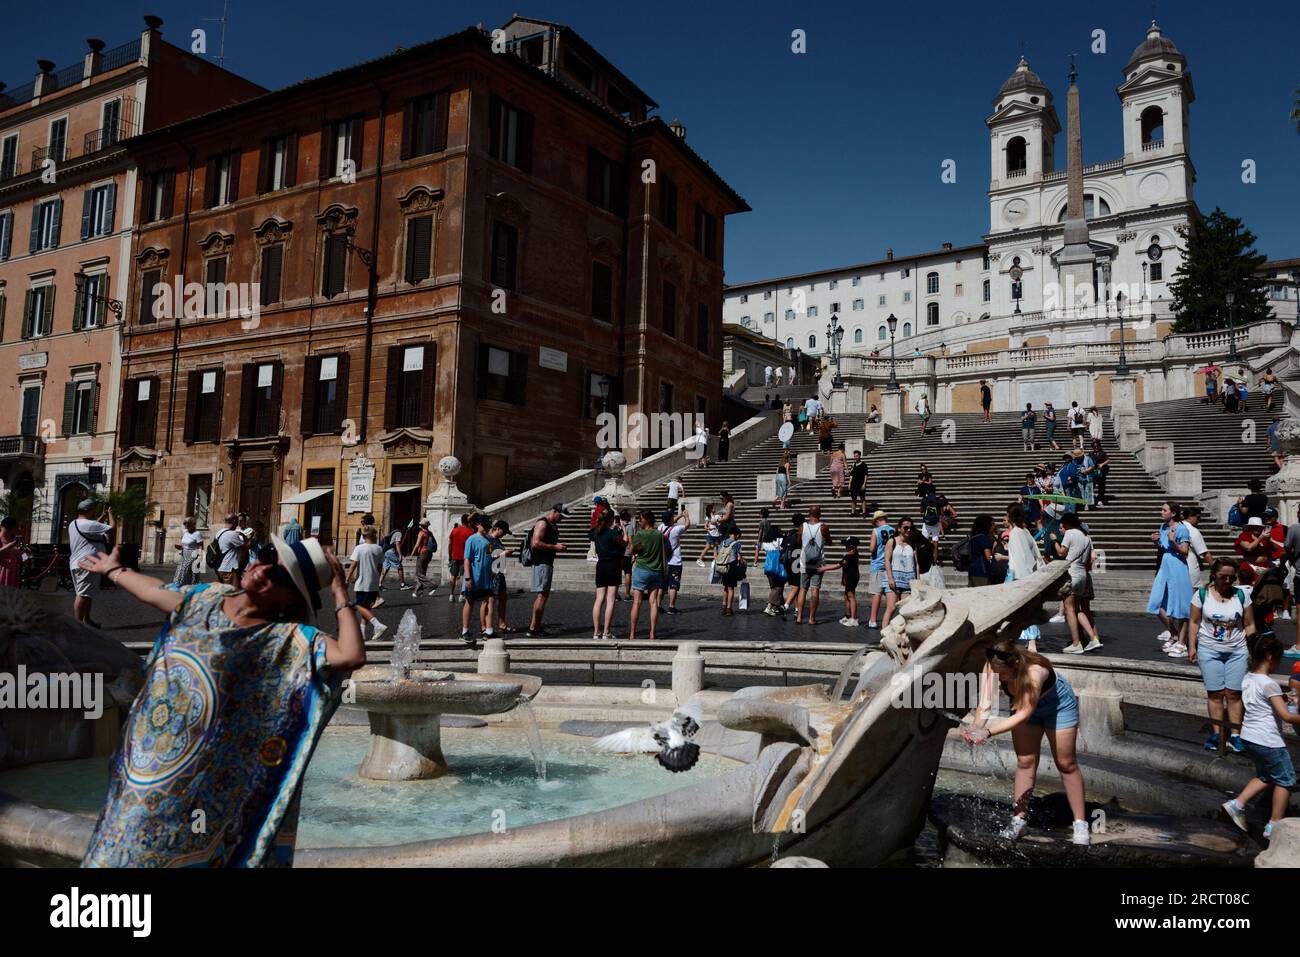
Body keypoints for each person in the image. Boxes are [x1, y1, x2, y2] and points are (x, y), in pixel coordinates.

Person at [79, 534, 363, 867]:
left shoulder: (288, 639)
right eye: (267, 556)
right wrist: (114, 571)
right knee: (119, 845)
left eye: (279, 574)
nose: (263, 569)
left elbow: (350, 654)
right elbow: (155, 591)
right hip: (145, 765)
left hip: (203, 780)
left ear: (289, 596)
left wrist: (341, 595)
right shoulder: (204, 598)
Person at [964, 641, 1090, 846]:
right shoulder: (992, 664)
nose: (999, 678)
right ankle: (1019, 819)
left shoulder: (1034, 672)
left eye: (1002, 674)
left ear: (1014, 666)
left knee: (1066, 763)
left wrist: (987, 732)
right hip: (1023, 707)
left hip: (1057, 706)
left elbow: (1024, 714)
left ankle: (1080, 823)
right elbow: (986, 703)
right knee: (1025, 761)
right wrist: (976, 727)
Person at [1223, 635, 1300, 839]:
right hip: (1269, 740)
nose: (1278, 664)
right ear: (1269, 656)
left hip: (1250, 737)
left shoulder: (1248, 678)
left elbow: (1262, 700)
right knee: (1286, 780)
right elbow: (1286, 715)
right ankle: (1274, 826)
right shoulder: (1269, 684)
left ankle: (1236, 804)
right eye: (1278, 659)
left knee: (1266, 776)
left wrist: (1282, 698)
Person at [1190, 558, 1256, 752]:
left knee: (1234, 694)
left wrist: (1251, 648)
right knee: (1215, 693)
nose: (1227, 581)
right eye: (1223, 577)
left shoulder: (1242, 595)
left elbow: (1250, 624)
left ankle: (1235, 735)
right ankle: (1217, 733)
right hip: (1209, 650)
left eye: (1231, 577)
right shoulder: (1201, 595)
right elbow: (1194, 621)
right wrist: (1192, 646)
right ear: (1214, 576)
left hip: (1237, 650)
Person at [1050, 512, 1102, 653]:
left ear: (1066, 523)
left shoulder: (1070, 533)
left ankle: (1076, 643)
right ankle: (1093, 638)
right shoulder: (1085, 537)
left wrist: (1054, 540)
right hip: (1082, 574)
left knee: (1070, 610)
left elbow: (1062, 553)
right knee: (1077, 609)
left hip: (1072, 573)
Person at [1004, 504, 1047, 652]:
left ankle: (1024, 640)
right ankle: (1029, 640)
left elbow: (1018, 559)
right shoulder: (1026, 531)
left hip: (1019, 577)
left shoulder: (1015, 533)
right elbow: (1036, 554)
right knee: (1028, 610)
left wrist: (1017, 580)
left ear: (1010, 516)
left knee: (1018, 610)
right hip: (1029, 574)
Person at [68, 498, 114, 626]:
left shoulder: (75, 523)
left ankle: (86, 620)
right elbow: (112, 528)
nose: (94, 512)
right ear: (89, 510)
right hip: (86, 564)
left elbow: (93, 527)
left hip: (78, 563)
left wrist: (102, 516)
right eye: (93, 510)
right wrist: (110, 513)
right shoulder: (87, 525)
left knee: (87, 594)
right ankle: (78, 625)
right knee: (82, 595)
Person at [526, 504, 569, 637]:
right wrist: (555, 547)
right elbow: (536, 543)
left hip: (547, 563)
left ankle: (535, 626)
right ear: (554, 511)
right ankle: (534, 628)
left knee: (543, 595)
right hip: (541, 563)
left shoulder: (552, 525)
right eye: (561, 515)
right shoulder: (542, 523)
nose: (562, 519)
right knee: (542, 595)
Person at [346, 527, 390, 641]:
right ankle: (362, 633)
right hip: (374, 581)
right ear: (373, 536)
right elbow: (380, 566)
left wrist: (347, 578)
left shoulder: (359, 548)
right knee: (366, 607)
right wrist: (378, 578)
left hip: (362, 581)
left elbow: (353, 565)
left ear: (364, 536)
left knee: (358, 605)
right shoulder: (379, 549)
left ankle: (377, 624)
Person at [627, 510, 665, 640]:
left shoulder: (639, 534)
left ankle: (632, 633)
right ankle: (652, 633)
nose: (639, 521)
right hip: (656, 570)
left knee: (637, 602)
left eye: (641, 519)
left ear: (647, 520)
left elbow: (631, 551)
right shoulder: (659, 535)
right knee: (653, 602)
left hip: (642, 570)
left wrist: (636, 549)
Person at [461, 514, 496, 645]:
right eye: (485, 526)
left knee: (488, 601)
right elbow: (467, 560)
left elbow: (490, 557)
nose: (487, 528)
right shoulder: (472, 539)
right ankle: (465, 631)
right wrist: (468, 577)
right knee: (469, 602)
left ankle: (488, 630)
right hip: (474, 577)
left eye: (488, 526)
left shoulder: (489, 540)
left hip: (486, 579)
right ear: (478, 525)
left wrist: (501, 556)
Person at [794, 505, 829, 626]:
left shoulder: (802, 526)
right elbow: (829, 541)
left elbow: (798, 542)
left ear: (809, 514)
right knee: (815, 589)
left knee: (803, 589)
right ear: (820, 514)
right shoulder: (823, 527)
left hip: (804, 562)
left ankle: (799, 617)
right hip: (818, 563)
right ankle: (811, 618)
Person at [882, 517, 917, 627]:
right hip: (894, 578)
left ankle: (902, 636)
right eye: (905, 528)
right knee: (891, 607)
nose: (908, 530)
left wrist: (918, 580)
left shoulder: (912, 543)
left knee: (905, 610)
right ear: (899, 529)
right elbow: (887, 560)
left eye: (910, 528)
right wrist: (890, 577)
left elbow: (916, 563)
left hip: (908, 580)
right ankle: (884, 635)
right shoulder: (892, 541)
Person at [865, 511, 894, 630]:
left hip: (877, 564)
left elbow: (872, 548)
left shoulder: (876, 531)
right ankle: (890, 619)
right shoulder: (894, 530)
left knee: (876, 593)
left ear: (877, 520)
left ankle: (873, 620)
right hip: (890, 565)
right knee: (890, 594)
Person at [659, 508, 689, 615]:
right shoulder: (677, 529)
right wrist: (685, 516)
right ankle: (671, 606)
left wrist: (679, 515)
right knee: (673, 585)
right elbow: (687, 525)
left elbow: (669, 522)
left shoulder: (661, 527)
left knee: (662, 585)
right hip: (675, 561)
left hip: (664, 561)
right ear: (671, 519)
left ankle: (658, 605)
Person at [489, 520, 514, 633]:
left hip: (500, 573)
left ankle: (502, 623)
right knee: (491, 600)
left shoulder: (498, 540)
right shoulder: (489, 540)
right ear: (498, 529)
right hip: (492, 574)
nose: (504, 535)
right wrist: (504, 554)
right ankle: (487, 627)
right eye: (504, 532)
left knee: (503, 598)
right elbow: (488, 557)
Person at [760, 520, 788, 618]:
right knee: (778, 587)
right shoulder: (780, 540)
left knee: (774, 587)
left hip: (768, 567)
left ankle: (779, 607)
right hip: (778, 566)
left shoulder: (765, 542)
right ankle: (769, 607)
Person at [1181, 506, 1213, 591]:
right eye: (1198, 518)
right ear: (1191, 516)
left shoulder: (1176, 527)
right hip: (1190, 570)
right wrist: (1215, 568)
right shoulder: (1192, 530)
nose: (1199, 521)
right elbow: (1204, 553)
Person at [715, 526, 745, 616]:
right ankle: (729, 608)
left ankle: (723, 606)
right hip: (732, 567)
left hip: (723, 567)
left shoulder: (723, 542)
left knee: (725, 588)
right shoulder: (737, 544)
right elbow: (739, 557)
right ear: (737, 535)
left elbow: (718, 552)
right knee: (731, 588)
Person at [967, 514, 1001, 587]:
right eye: (992, 523)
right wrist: (996, 559)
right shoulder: (984, 539)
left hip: (973, 571)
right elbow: (989, 557)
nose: (994, 525)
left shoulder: (974, 537)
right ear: (986, 525)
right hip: (983, 572)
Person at [213, 514, 245, 588]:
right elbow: (245, 547)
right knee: (234, 593)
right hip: (229, 569)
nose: (238, 524)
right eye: (237, 521)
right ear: (234, 521)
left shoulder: (219, 533)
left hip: (220, 567)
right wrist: (244, 536)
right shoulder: (232, 534)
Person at [447, 513, 473, 603]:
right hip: (465, 557)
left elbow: (450, 544)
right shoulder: (470, 532)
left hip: (455, 556)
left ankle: (451, 595)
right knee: (462, 576)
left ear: (461, 521)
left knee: (453, 576)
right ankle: (461, 595)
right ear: (468, 521)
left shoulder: (454, 531)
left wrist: (450, 555)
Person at [173, 516, 204, 586]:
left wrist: (200, 558)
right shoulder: (185, 533)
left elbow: (200, 546)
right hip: (184, 555)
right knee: (180, 573)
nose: (186, 525)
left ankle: (190, 587)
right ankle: (180, 588)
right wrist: (180, 547)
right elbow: (184, 545)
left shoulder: (197, 534)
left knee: (188, 573)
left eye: (188, 523)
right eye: (185, 523)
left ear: (193, 524)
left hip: (193, 555)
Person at [411, 519, 436, 598]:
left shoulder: (421, 533)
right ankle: (419, 592)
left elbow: (417, 544)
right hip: (429, 554)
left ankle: (433, 585)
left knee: (418, 574)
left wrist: (412, 554)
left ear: (421, 525)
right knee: (422, 573)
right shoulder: (430, 533)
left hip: (422, 553)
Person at [379, 525, 409, 590]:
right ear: (403, 529)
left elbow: (385, 538)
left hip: (385, 552)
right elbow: (397, 544)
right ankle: (403, 584)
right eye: (405, 529)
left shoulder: (393, 532)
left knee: (385, 568)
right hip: (391, 552)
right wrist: (400, 554)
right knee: (399, 566)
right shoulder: (399, 533)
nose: (406, 531)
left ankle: (379, 584)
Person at [0, 517, 21, 588]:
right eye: (6, 529)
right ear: (2, 527)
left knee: (11, 595)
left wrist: (25, 556)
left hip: (13, 573)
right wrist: (10, 545)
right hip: (2, 572)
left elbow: (20, 554)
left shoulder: (14, 540)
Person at [1089, 439, 1110, 507]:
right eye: (1094, 446)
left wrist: (1102, 464)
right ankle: (1093, 499)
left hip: (1101, 472)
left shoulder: (1102, 453)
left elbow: (1108, 460)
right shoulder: (1090, 454)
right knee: (1092, 486)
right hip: (1093, 472)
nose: (1096, 447)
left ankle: (1100, 499)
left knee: (1101, 487)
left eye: (1097, 446)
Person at [848, 450, 868, 516]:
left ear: (859, 456)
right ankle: (853, 512)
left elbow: (866, 475)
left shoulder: (864, 465)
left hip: (861, 483)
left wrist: (864, 484)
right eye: (854, 456)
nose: (855, 457)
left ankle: (864, 512)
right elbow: (851, 475)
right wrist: (849, 483)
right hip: (854, 483)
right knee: (853, 498)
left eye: (856, 456)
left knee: (862, 498)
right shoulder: (853, 465)